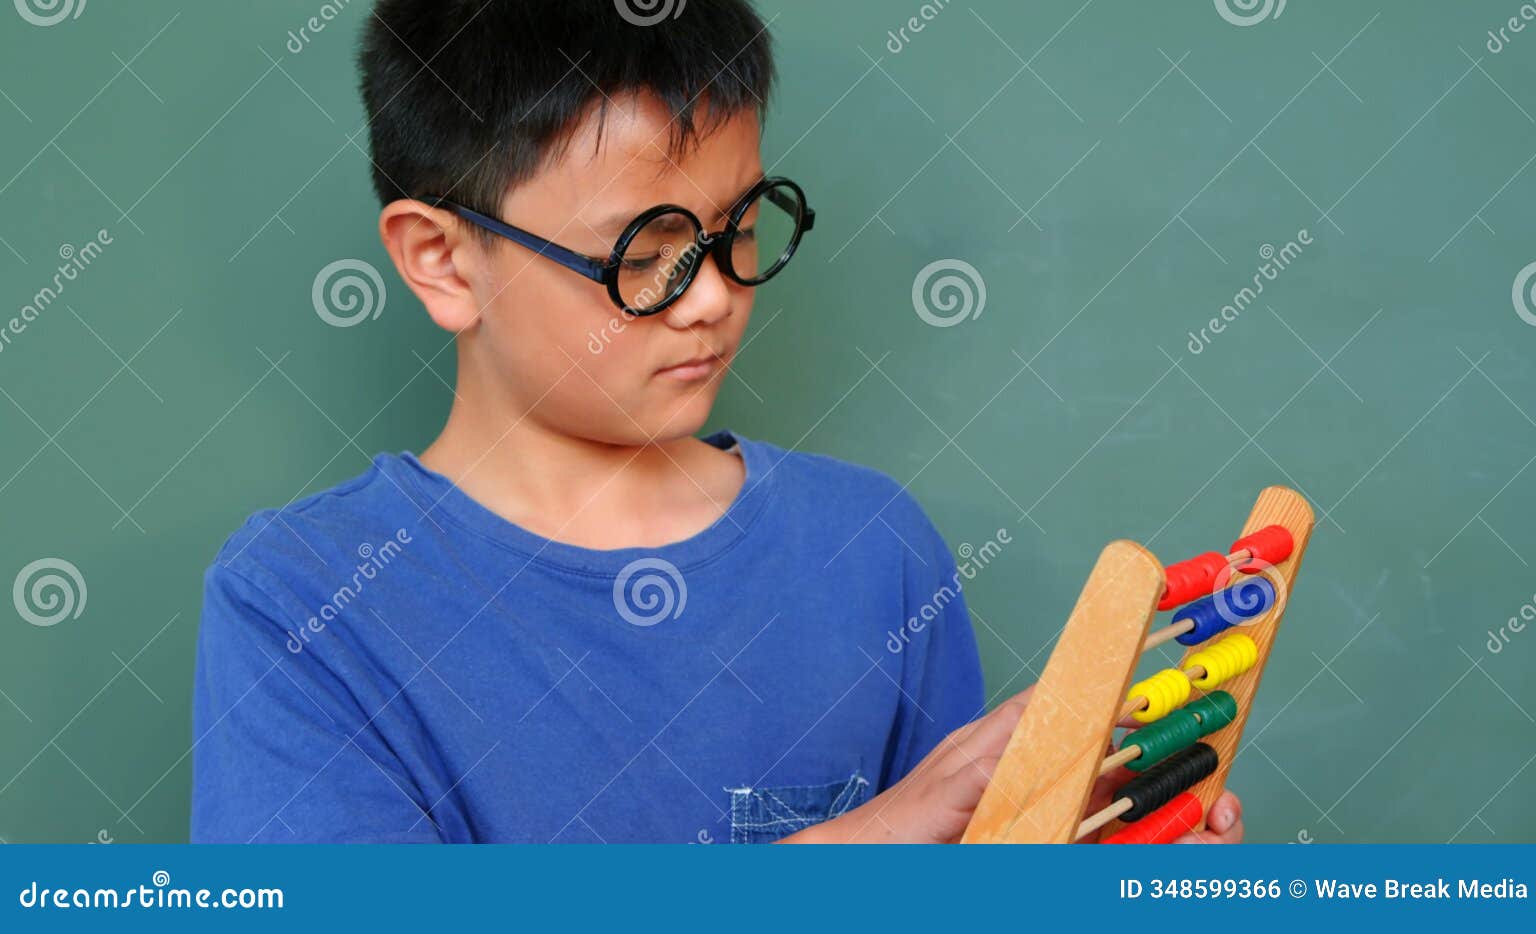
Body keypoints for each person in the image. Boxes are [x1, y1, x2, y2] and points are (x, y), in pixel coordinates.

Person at [191, 0, 1243, 844]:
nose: (710, 297)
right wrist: (864, 847)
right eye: (644, 256)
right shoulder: (303, 602)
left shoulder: (871, 549)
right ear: (442, 259)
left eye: (739, 226)